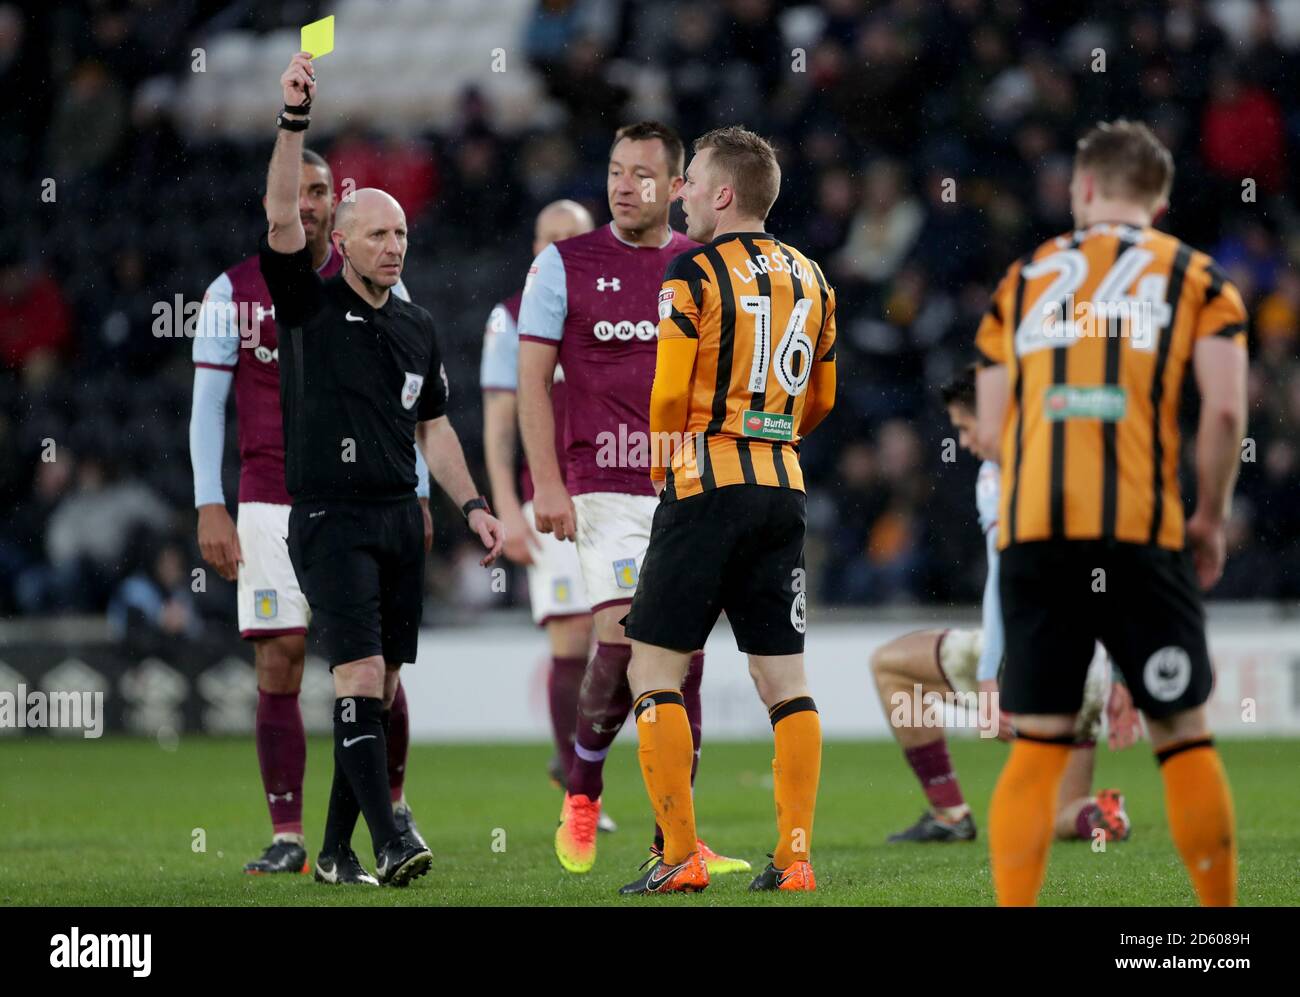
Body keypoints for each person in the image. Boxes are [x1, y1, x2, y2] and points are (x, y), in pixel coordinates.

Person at [975, 120, 1247, 906]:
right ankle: (1218, 942)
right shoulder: (1197, 277)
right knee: (1184, 738)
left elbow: (989, 433)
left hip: (1035, 534)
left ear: (1083, 190)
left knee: (1038, 747)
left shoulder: (1022, 278)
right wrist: (1211, 517)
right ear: (1158, 205)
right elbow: (1226, 414)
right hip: (1140, 528)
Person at [261, 52, 503, 887]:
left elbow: (434, 427)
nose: (394, 245)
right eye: (377, 233)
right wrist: (294, 119)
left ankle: (332, 853)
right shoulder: (308, 301)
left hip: (403, 518)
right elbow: (282, 217)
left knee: (380, 688)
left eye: (402, 233)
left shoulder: (418, 326)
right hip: (330, 516)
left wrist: (471, 503)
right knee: (358, 676)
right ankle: (390, 834)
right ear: (343, 240)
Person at [190, 146, 435, 876]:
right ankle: (292, 832)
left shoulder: (375, 280)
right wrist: (211, 500)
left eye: (321, 190)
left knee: (379, 669)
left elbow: (408, 405)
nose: (308, 202)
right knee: (282, 657)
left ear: (339, 199)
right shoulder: (235, 291)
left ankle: (390, 811)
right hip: (269, 495)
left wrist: (417, 488)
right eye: (295, 190)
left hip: (366, 503)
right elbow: (207, 406)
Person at [517, 121, 747, 878]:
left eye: (643, 175)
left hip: (687, 487)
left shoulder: (702, 264)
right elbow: (530, 384)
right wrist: (547, 481)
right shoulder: (561, 266)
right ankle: (583, 783)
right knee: (620, 640)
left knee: (686, 665)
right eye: (616, 170)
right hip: (603, 489)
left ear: (676, 187)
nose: (624, 185)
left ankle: (671, 838)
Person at [620, 126, 837, 894]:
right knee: (785, 679)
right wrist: (773, 437)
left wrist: (661, 462)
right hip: (783, 486)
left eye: (689, 182)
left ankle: (679, 854)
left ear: (722, 193)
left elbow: (672, 391)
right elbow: (824, 398)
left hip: (705, 479)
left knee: (653, 667)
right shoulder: (813, 277)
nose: (675, 194)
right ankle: (796, 856)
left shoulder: (692, 274)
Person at [869, 366, 1138, 846]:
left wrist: (991, 680)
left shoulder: (999, 477)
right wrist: (1119, 674)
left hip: (1029, 664)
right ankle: (1095, 815)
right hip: (1090, 670)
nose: (965, 441)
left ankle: (949, 813)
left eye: (967, 428)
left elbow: (1002, 582)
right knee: (1059, 815)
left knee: (890, 666)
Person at [481, 199, 619, 829]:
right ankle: (578, 791)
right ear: (535, 246)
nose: (560, 245)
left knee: (619, 646)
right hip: (553, 499)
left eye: (572, 236)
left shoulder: (617, 308)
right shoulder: (510, 318)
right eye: (549, 237)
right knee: (570, 637)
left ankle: (581, 765)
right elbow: (498, 422)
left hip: (621, 493)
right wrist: (509, 508)